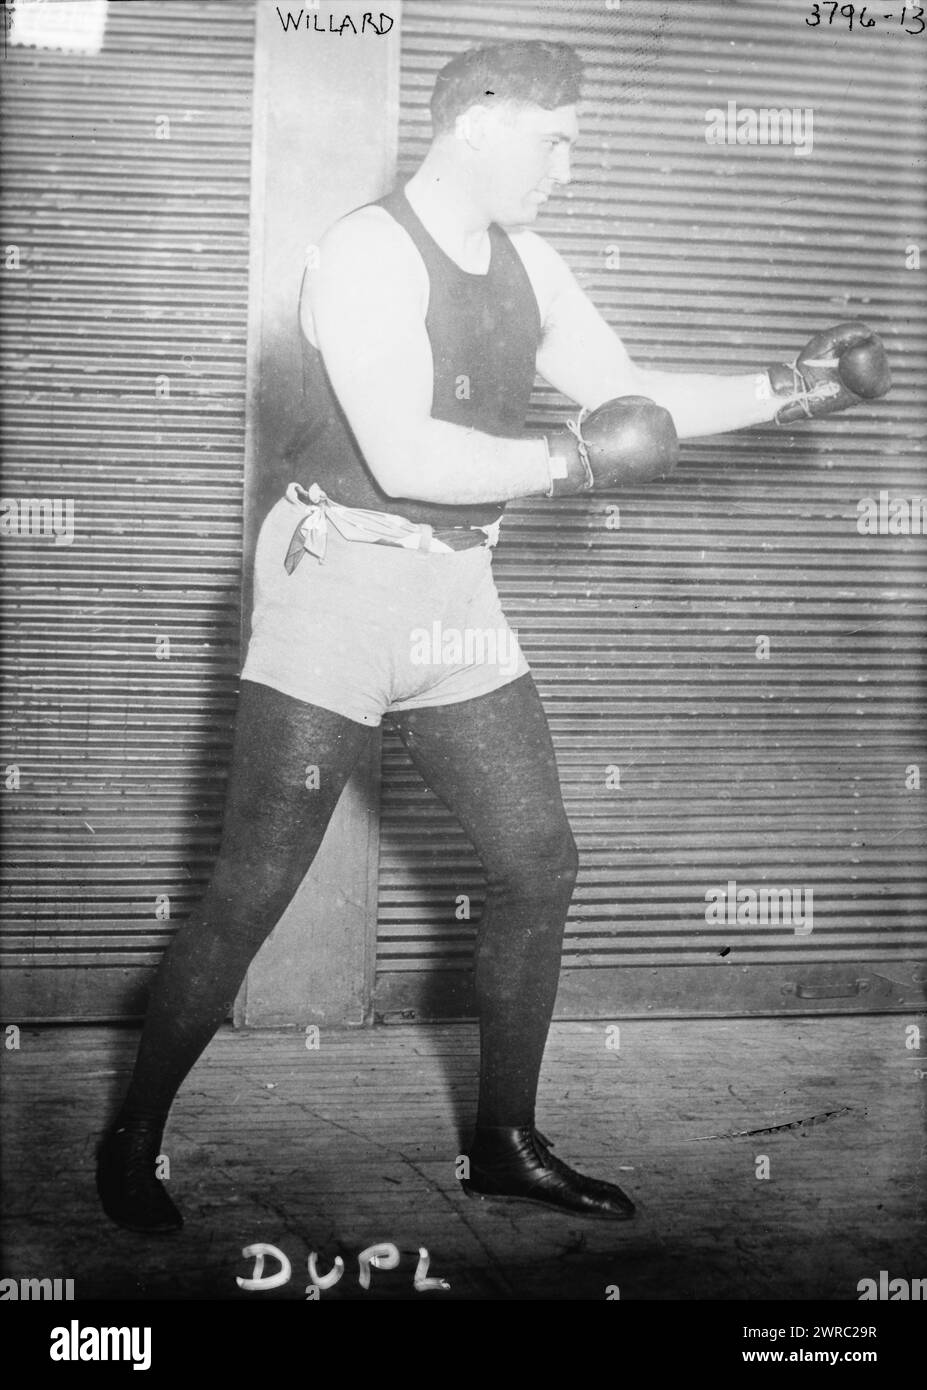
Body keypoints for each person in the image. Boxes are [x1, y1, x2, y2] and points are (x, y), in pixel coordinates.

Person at [97, 40, 890, 1233]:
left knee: (537, 860)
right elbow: (413, 454)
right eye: (553, 138)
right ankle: (133, 1135)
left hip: (456, 597)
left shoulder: (530, 262)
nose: (568, 166)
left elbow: (624, 393)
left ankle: (504, 1143)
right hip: (339, 585)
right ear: (474, 123)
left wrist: (793, 384)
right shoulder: (364, 251)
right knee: (256, 884)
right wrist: (573, 459)